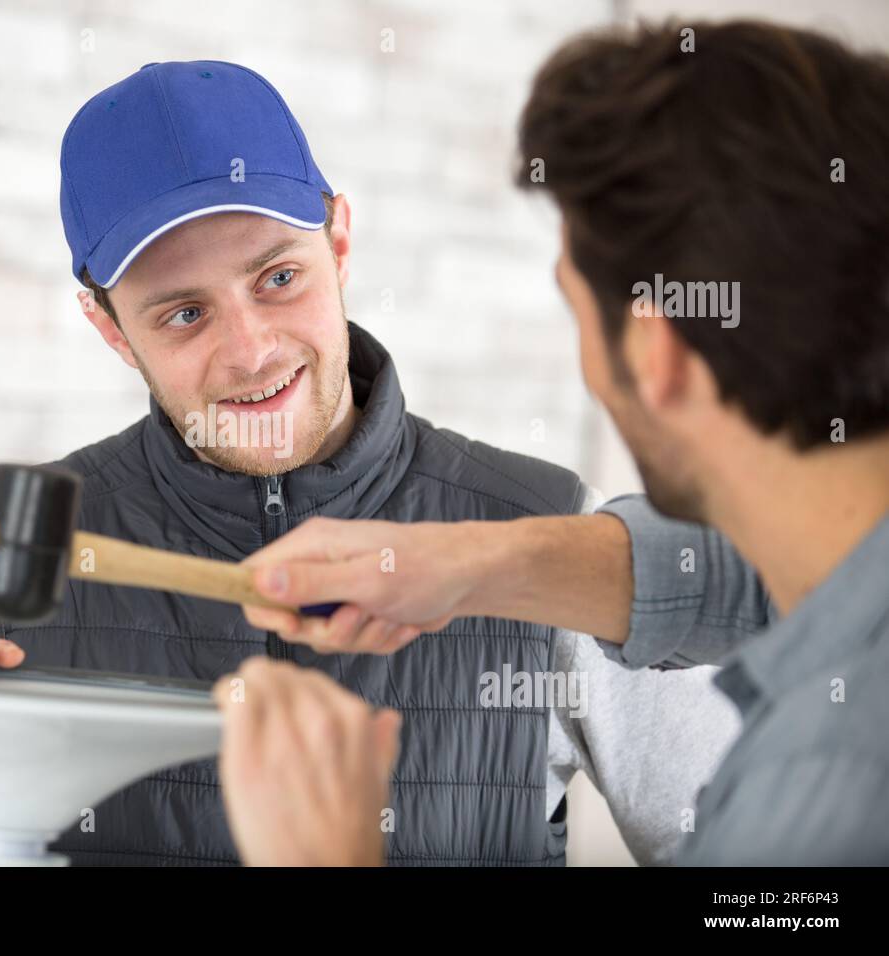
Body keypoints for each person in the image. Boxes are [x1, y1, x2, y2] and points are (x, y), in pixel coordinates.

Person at [0, 60, 738, 866]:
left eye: (277, 278)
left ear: (338, 240)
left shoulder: (549, 533)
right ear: (111, 330)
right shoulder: (3, 555)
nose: (250, 352)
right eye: (183, 313)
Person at [219, 20, 889, 866]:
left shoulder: (819, 793)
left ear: (659, 358)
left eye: (575, 309)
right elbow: (755, 577)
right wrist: (461, 565)